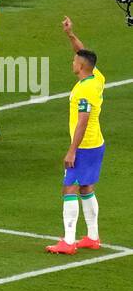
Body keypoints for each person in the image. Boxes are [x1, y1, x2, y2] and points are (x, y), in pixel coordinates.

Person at [46, 19, 105, 255]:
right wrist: (70, 34)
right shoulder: (97, 78)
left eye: (74, 61)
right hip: (97, 143)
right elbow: (82, 52)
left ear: (80, 67)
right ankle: (92, 237)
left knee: (69, 188)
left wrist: (72, 150)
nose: (72, 62)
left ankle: (68, 242)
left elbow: (83, 120)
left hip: (84, 145)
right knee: (86, 187)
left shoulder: (84, 90)